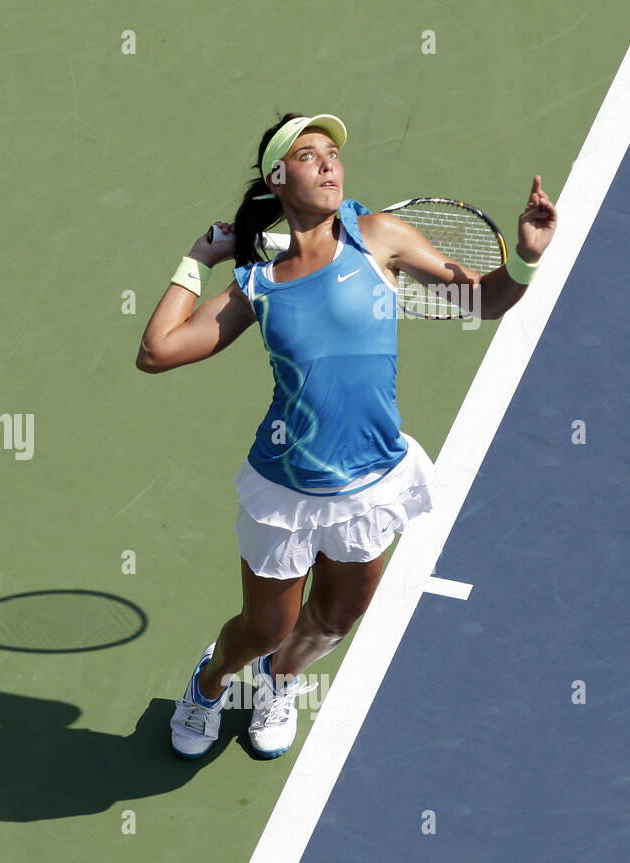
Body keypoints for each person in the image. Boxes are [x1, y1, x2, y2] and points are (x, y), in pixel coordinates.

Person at [135, 112, 557, 760]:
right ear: (278, 178)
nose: (330, 163)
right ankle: (212, 680)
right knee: (263, 625)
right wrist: (198, 257)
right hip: (287, 487)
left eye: (333, 152)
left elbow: (481, 300)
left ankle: (279, 681)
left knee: (336, 618)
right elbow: (158, 350)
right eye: (309, 155)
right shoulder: (257, 284)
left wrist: (525, 260)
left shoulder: (379, 237)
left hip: (371, 482)